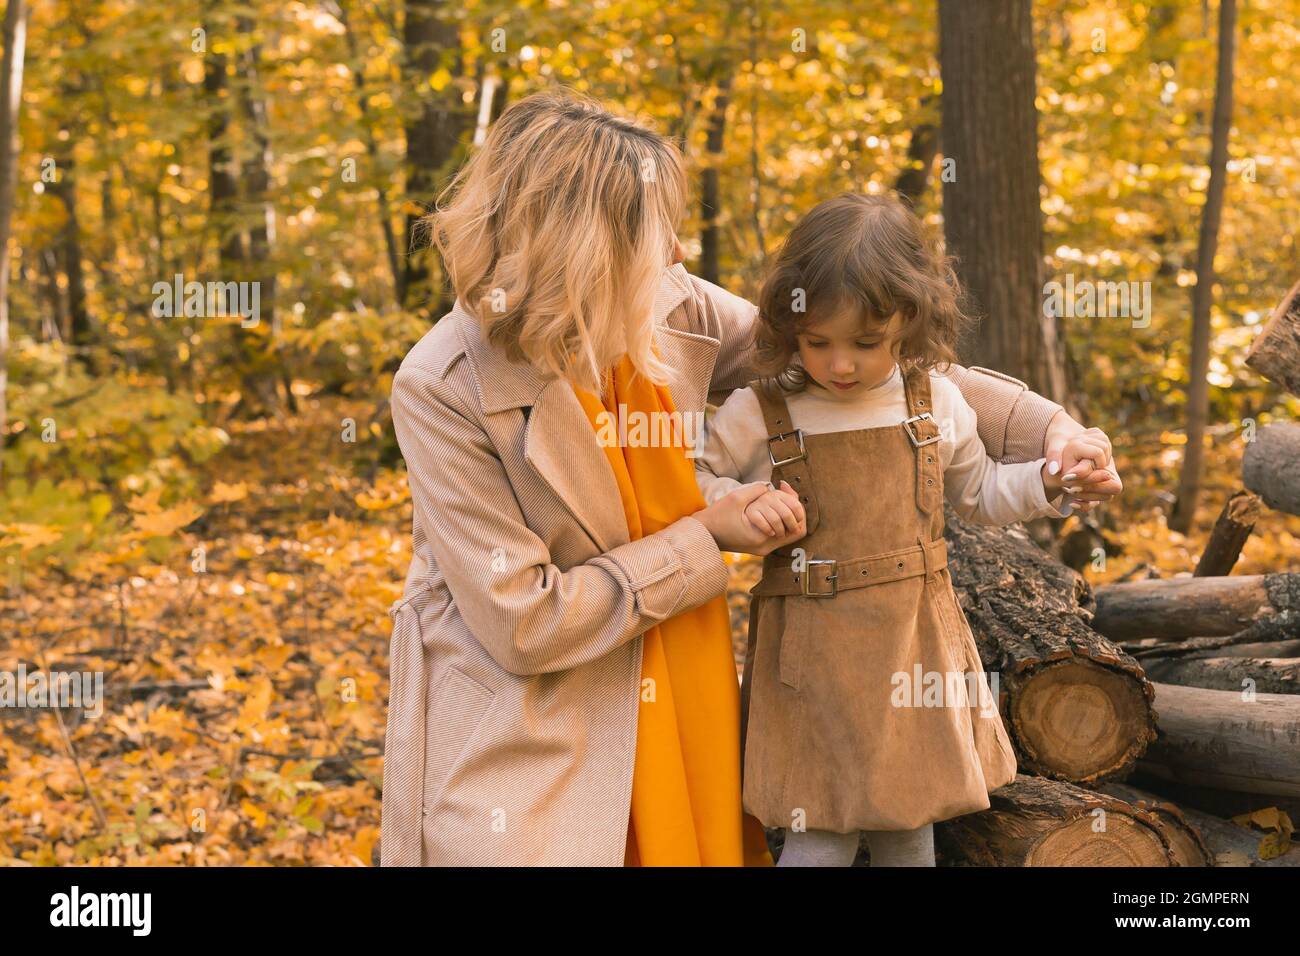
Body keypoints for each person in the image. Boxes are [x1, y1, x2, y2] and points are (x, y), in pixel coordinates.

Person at [381, 88, 1122, 866]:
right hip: (533, 720)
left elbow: (875, 369)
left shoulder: (673, 310)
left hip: (685, 675)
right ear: (583, 251)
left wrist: (1054, 432)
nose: (675, 255)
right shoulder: (446, 386)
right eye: (655, 234)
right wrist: (705, 533)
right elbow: (527, 623)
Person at [693, 192, 1118, 867]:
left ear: (908, 321)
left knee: (908, 824)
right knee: (819, 830)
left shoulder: (935, 402)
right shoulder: (759, 406)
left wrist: (1048, 480)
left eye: (866, 343)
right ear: (787, 321)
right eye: (818, 341)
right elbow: (697, 484)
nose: (839, 364)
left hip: (914, 643)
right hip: (810, 654)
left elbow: (978, 494)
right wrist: (737, 505)